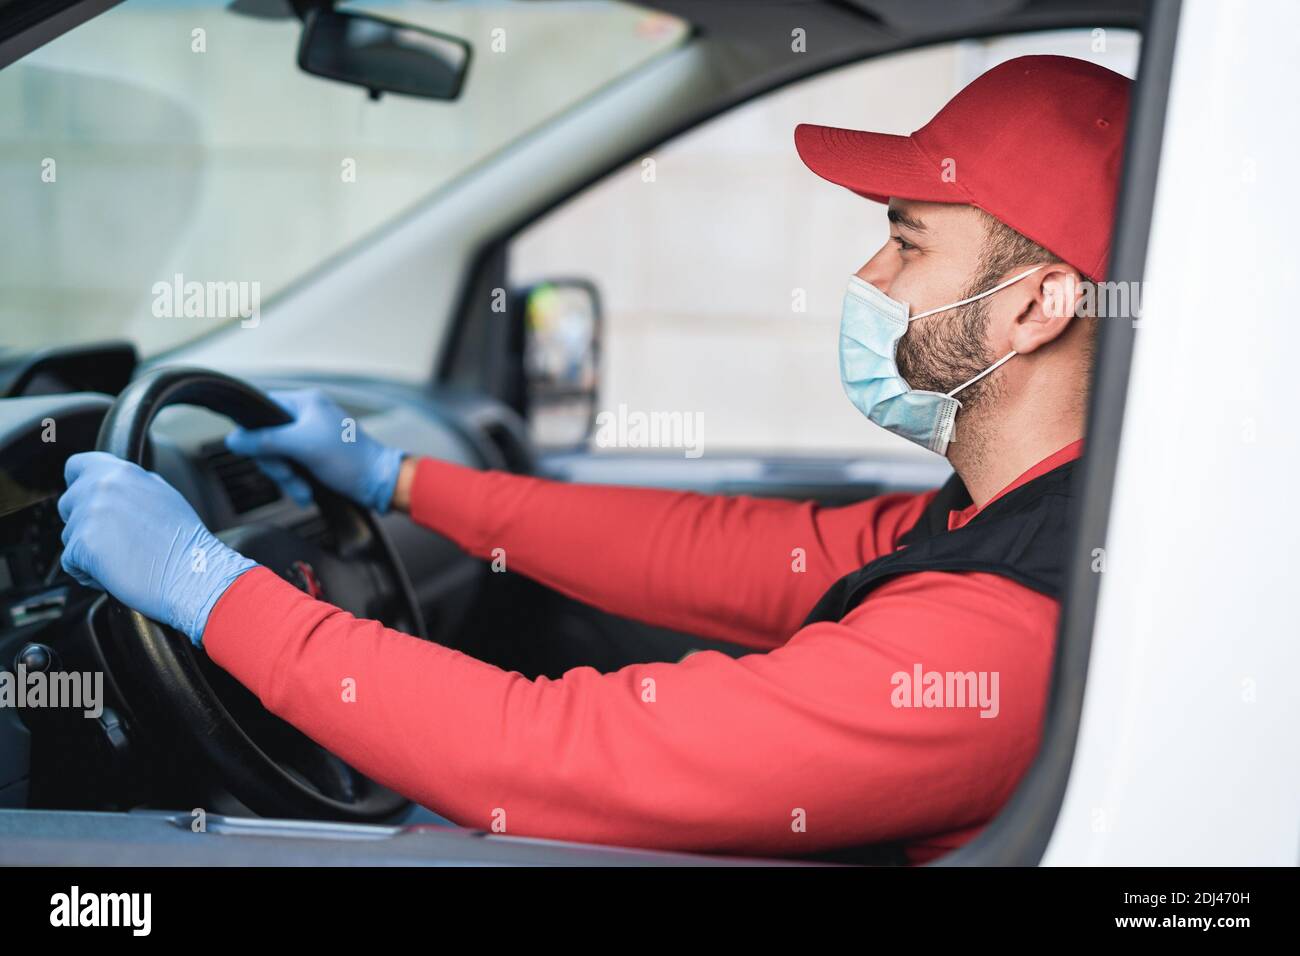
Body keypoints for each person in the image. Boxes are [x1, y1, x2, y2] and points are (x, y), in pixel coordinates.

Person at [58, 55, 1130, 862]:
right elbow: (738, 551)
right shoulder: (1016, 514)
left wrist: (213, 586)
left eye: (905, 241)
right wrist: (399, 478)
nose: (867, 271)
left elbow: (549, 754)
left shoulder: (1001, 639)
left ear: (1035, 305)